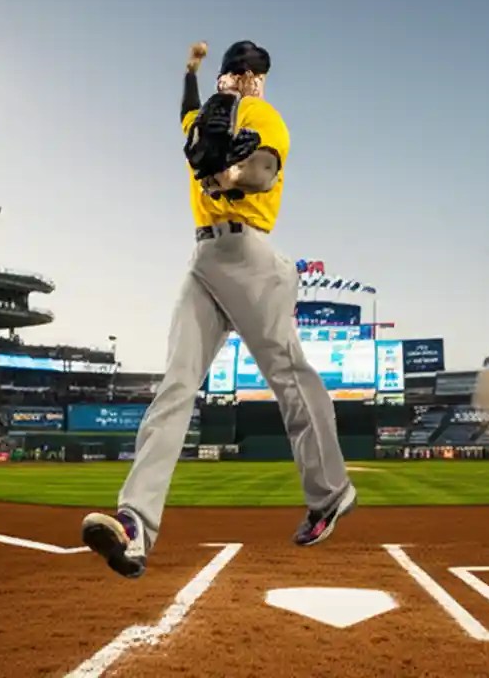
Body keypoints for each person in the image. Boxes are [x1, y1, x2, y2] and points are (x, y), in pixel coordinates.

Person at [81, 40, 356, 579]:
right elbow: (187, 115)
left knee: (289, 378)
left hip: (250, 254)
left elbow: (264, 170)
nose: (250, 80)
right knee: (175, 386)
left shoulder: (261, 114)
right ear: (232, 75)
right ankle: (134, 526)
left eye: (252, 72)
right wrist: (188, 71)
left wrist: (227, 175)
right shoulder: (205, 117)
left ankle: (332, 492)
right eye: (245, 71)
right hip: (204, 258)